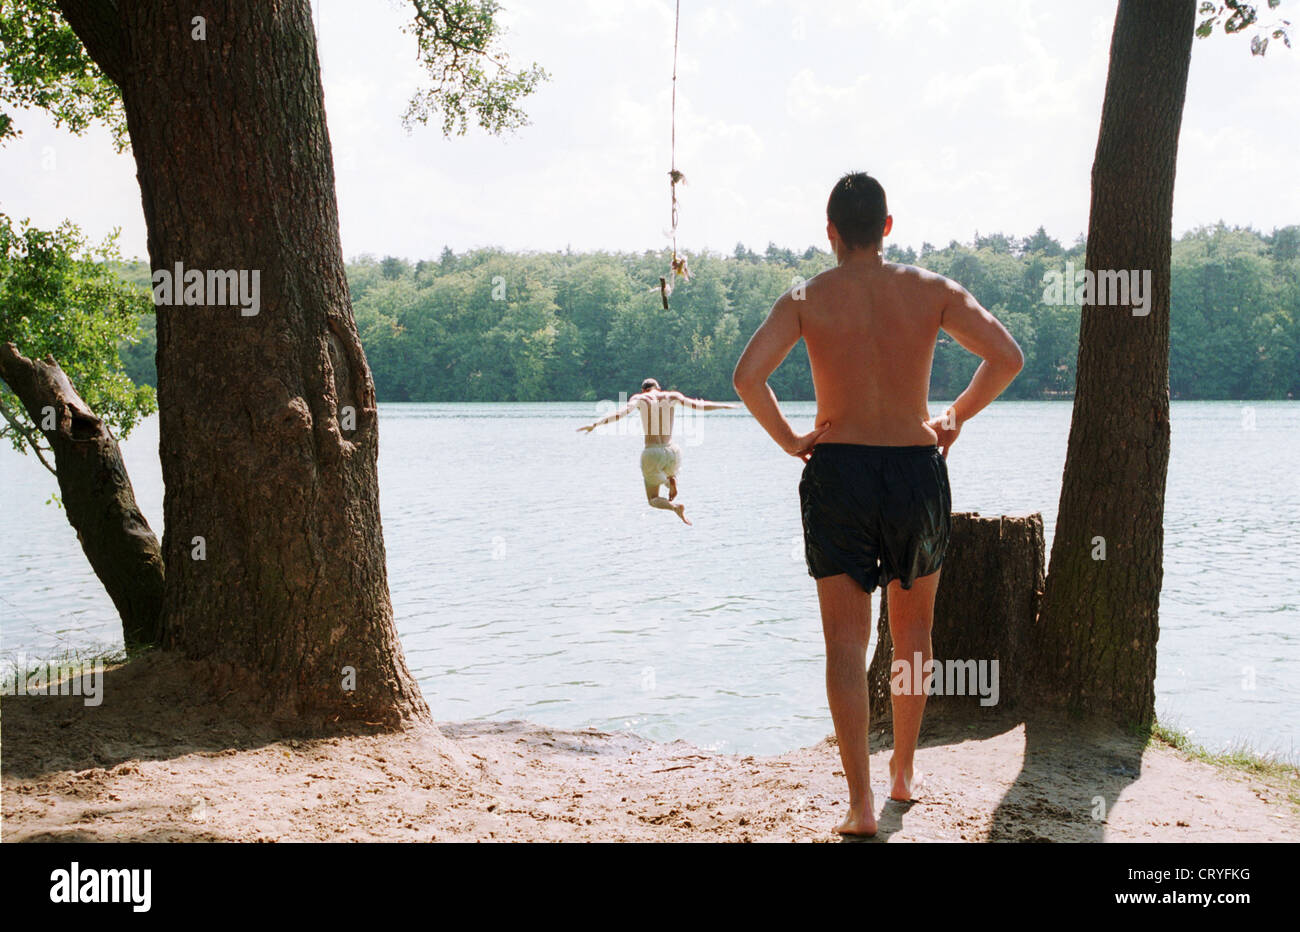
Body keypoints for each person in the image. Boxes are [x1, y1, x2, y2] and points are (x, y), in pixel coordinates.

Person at [732, 172, 1023, 836]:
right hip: (916, 468)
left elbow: (747, 377)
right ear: (888, 227)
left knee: (844, 642)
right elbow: (1006, 356)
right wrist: (955, 417)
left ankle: (861, 806)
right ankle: (903, 776)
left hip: (837, 468)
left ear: (830, 231)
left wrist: (792, 442)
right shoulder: (931, 290)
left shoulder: (806, 297)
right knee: (911, 635)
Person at [578, 378, 737, 525]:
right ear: (659, 388)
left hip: (653, 452)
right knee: (665, 472)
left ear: (643, 390)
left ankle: (675, 507)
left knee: (653, 499)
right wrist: (723, 405)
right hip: (673, 451)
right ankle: (670, 480)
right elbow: (698, 405)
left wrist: (595, 424)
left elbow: (620, 413)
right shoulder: (671, 396)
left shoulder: (640, 399)